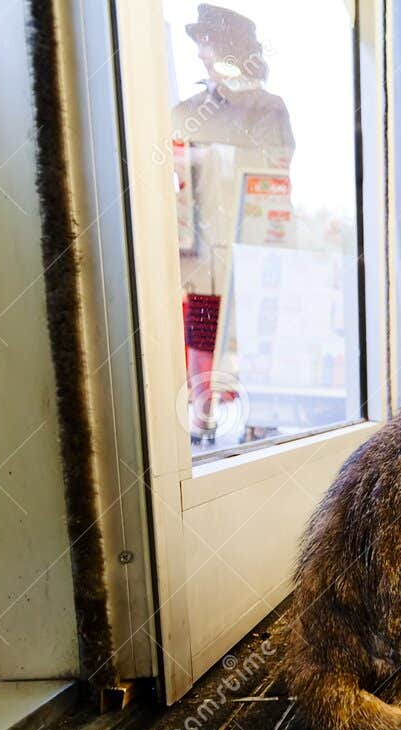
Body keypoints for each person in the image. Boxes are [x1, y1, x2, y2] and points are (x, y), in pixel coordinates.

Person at [171, 4, 295, 444]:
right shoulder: (184, 114)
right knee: (204, 337)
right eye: (201, 41)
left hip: (255, 247)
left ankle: (260, 419)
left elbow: (278, 176)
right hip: (202, 257)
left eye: (213, 41)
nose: (204, 51)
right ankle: (203, 421)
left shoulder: (269, 110)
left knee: (258, 337)